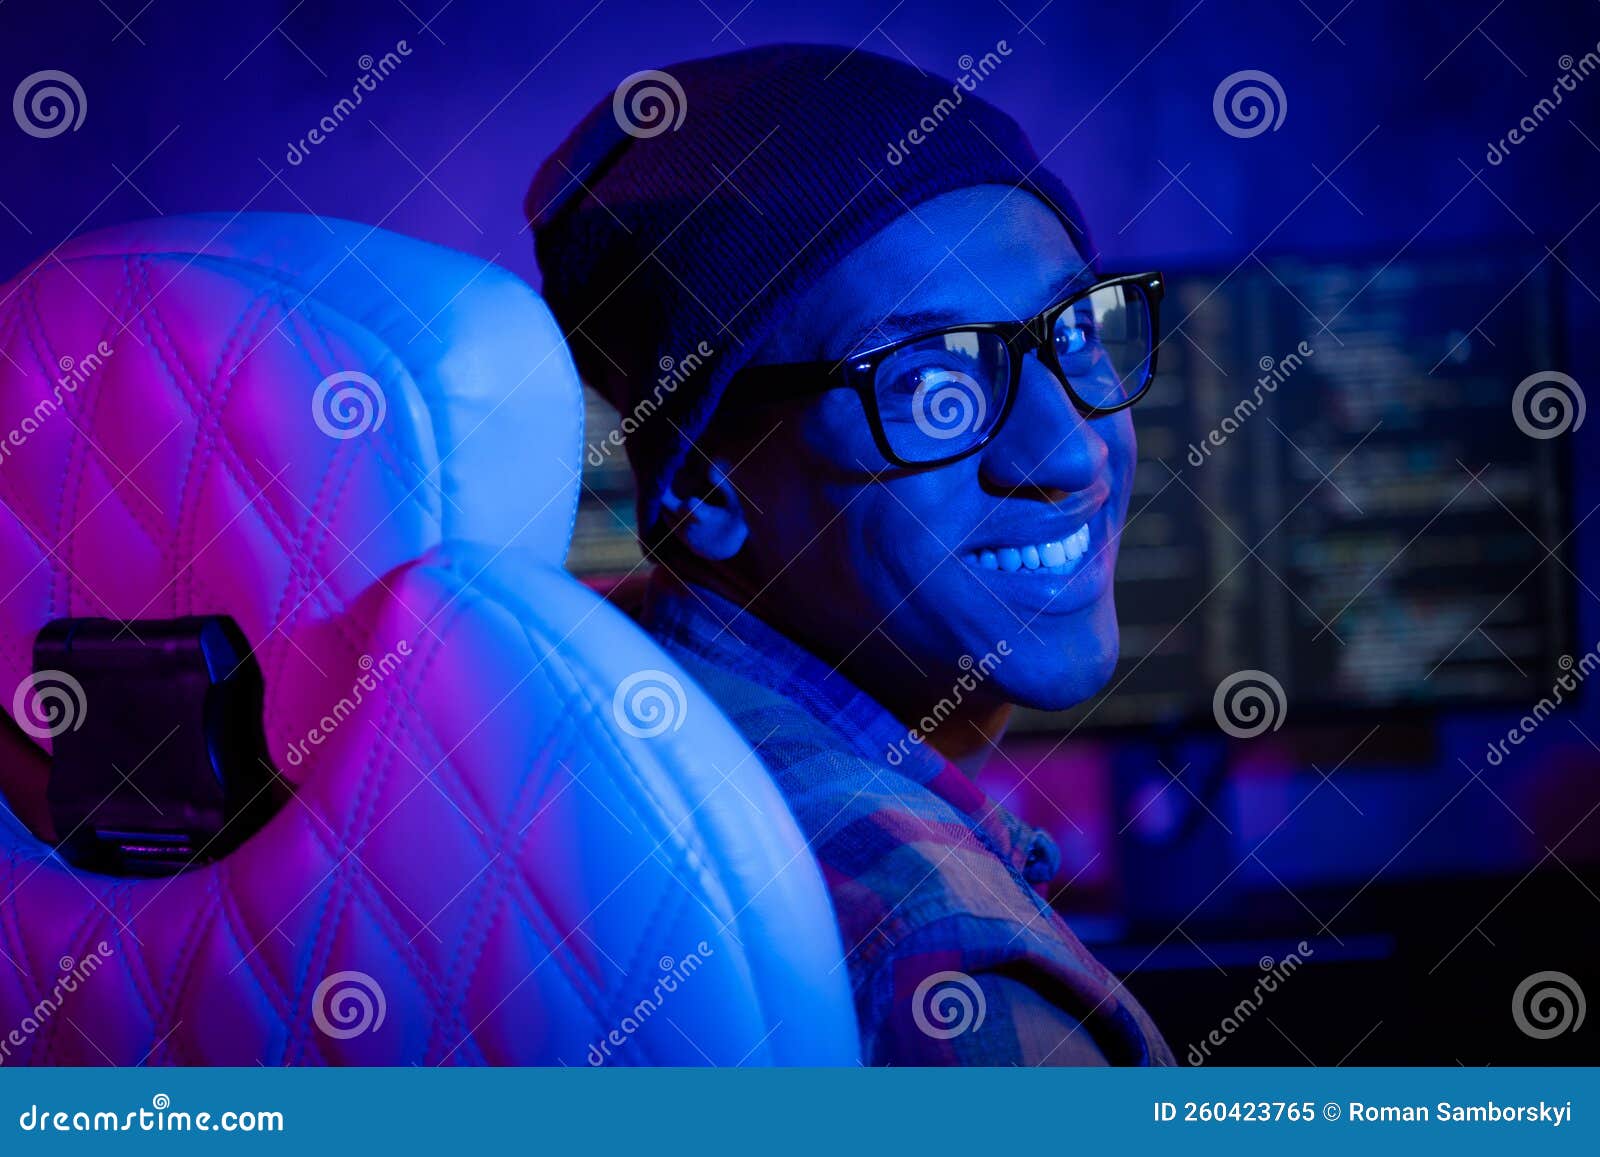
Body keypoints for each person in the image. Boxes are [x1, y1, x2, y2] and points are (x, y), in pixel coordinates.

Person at [528, 43, 1172, 1066]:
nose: (1071, 448)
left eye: (1074, 329)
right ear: (702, 487)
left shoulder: (598, 686)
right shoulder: (950, 969)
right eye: (929, 382)